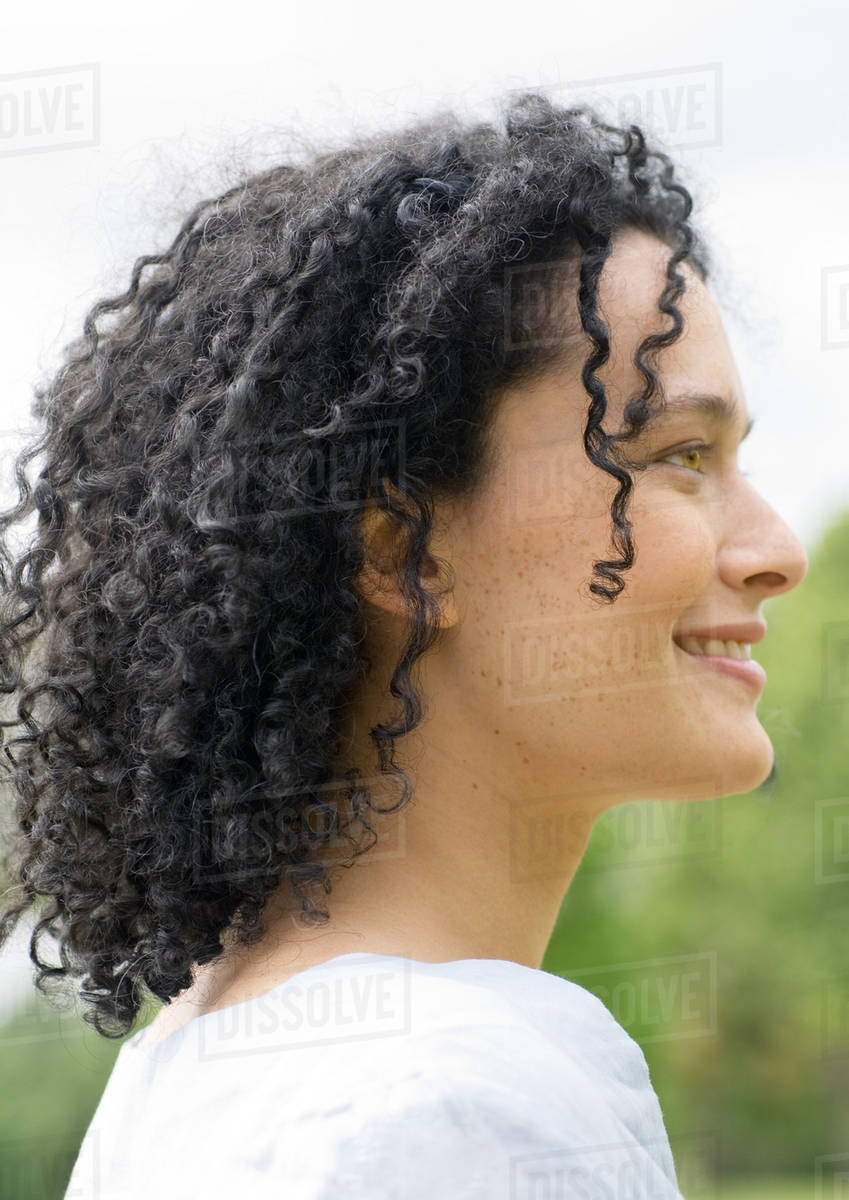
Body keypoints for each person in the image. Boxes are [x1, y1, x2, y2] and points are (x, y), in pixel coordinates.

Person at [0, 91, 807, 1198]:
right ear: (405, 549)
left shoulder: (206, 1070)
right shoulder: (442, 1113)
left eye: (737, 459)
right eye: (677, 455)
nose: (775, 550)